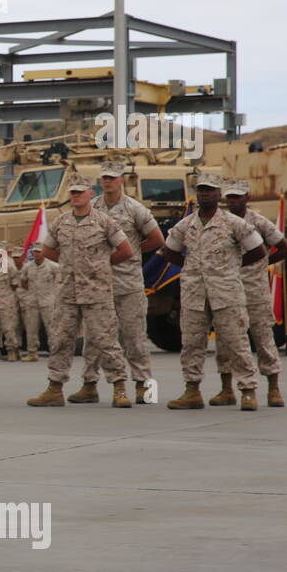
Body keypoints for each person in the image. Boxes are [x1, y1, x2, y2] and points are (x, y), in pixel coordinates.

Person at [158, 173, 267, 411]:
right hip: (194, 295)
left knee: (236, 342)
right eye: (201, 190)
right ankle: (192, 391)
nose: (204, 194)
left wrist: (233, 266)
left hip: (226, 293)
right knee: (191, 344)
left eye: (209, 190)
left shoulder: (234, 223)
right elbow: (168, 251)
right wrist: (189, 265)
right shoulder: (185, 224)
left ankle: (248, 390)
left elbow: (259, 250)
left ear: (219, 195)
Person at [27, 174, 136, 407]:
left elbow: (126, 251)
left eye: (80, 192)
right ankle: (55, 389)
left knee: (105, 340)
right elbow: (47, 250)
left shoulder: (104, 221)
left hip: (96, 292)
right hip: (67, 292)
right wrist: (68, 264)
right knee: (60, 339)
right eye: (72, 192)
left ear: (90, 194)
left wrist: (100, 266)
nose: (75, 195)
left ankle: (119, 388)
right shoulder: (61, 222)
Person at [74, 159, 164, 403]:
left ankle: (143, 387)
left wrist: (131, 250)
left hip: (129, 283)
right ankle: (89, 385)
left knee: (135, 336)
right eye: (104, 178)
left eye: (112, 178)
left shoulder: (135, 209)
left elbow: (157, 239)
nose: (107, 181)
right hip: (99, 284)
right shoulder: (91, 207)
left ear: (121, 180)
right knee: (93, 337)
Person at [218, 179, 287, 407]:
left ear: (247, 198)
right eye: (229, 197)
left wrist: (262, 263)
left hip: (254, 290)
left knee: (263, 339)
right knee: (226, 339)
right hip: (227, 289)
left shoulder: (259, 222)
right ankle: (226, 389)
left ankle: (273, 389)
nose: (233, 201)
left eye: (237, 197)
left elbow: (286, 248)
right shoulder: (219, 223)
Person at [17, 244, 58, 362]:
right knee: (31, 328)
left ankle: (55, 352)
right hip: (32, 301)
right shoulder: (28, 267)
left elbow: (60, 279)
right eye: (34, 252)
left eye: (39, 251)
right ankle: (32, 352)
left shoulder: (53, 266)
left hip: (48, 301)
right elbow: (23, 281)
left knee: (51, 327)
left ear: (43, 253)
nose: (36, 254)